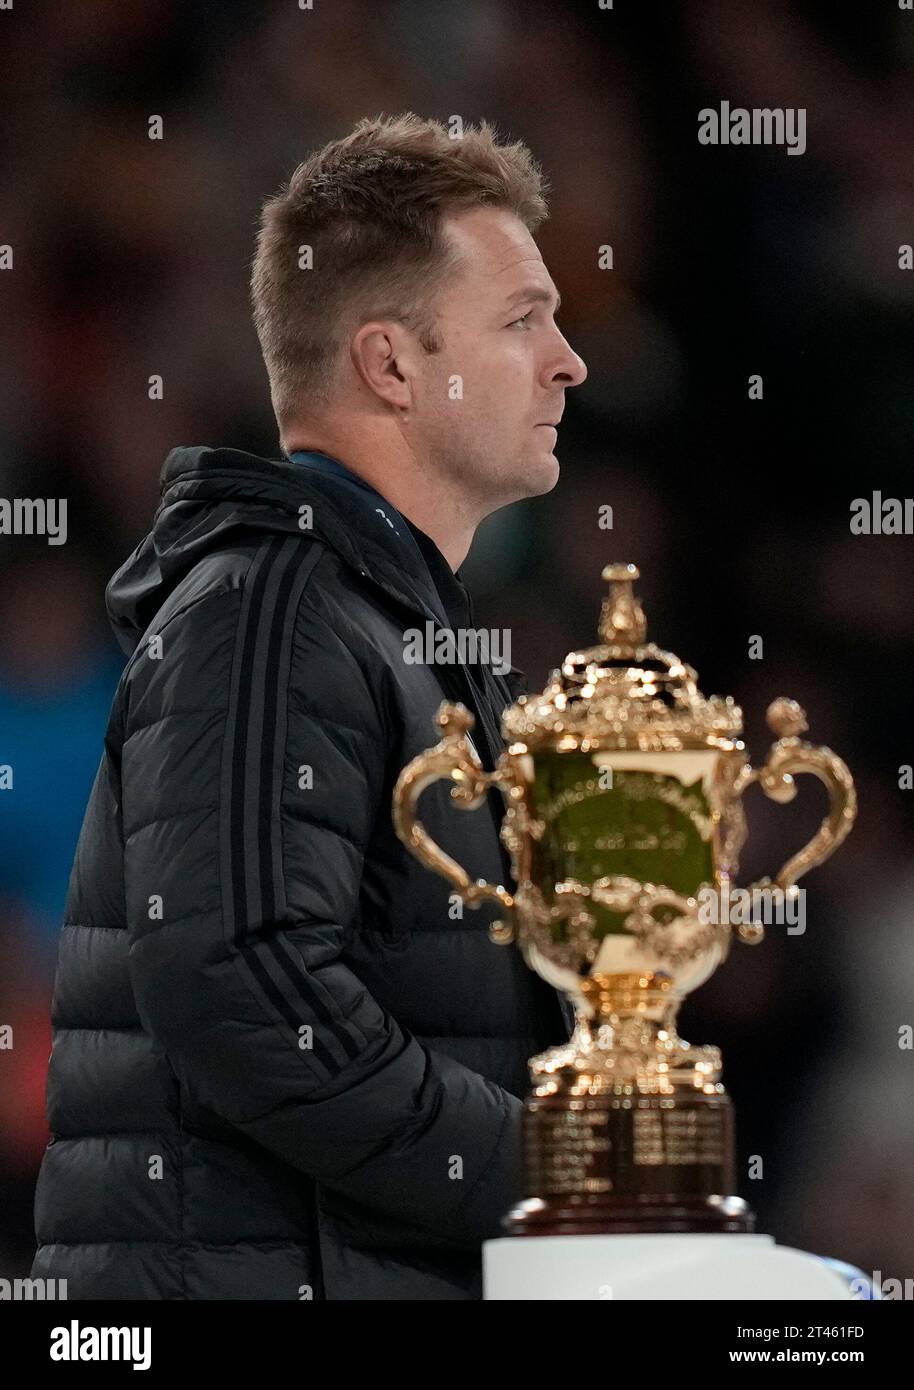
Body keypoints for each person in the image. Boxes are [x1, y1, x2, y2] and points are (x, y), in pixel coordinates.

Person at [30, 112, 588, 1300]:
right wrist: (556, 1180)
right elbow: (242, 984)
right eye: (520, 319)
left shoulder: (384, 622)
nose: (566, 360)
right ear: (391, 364)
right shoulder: (274, 609)